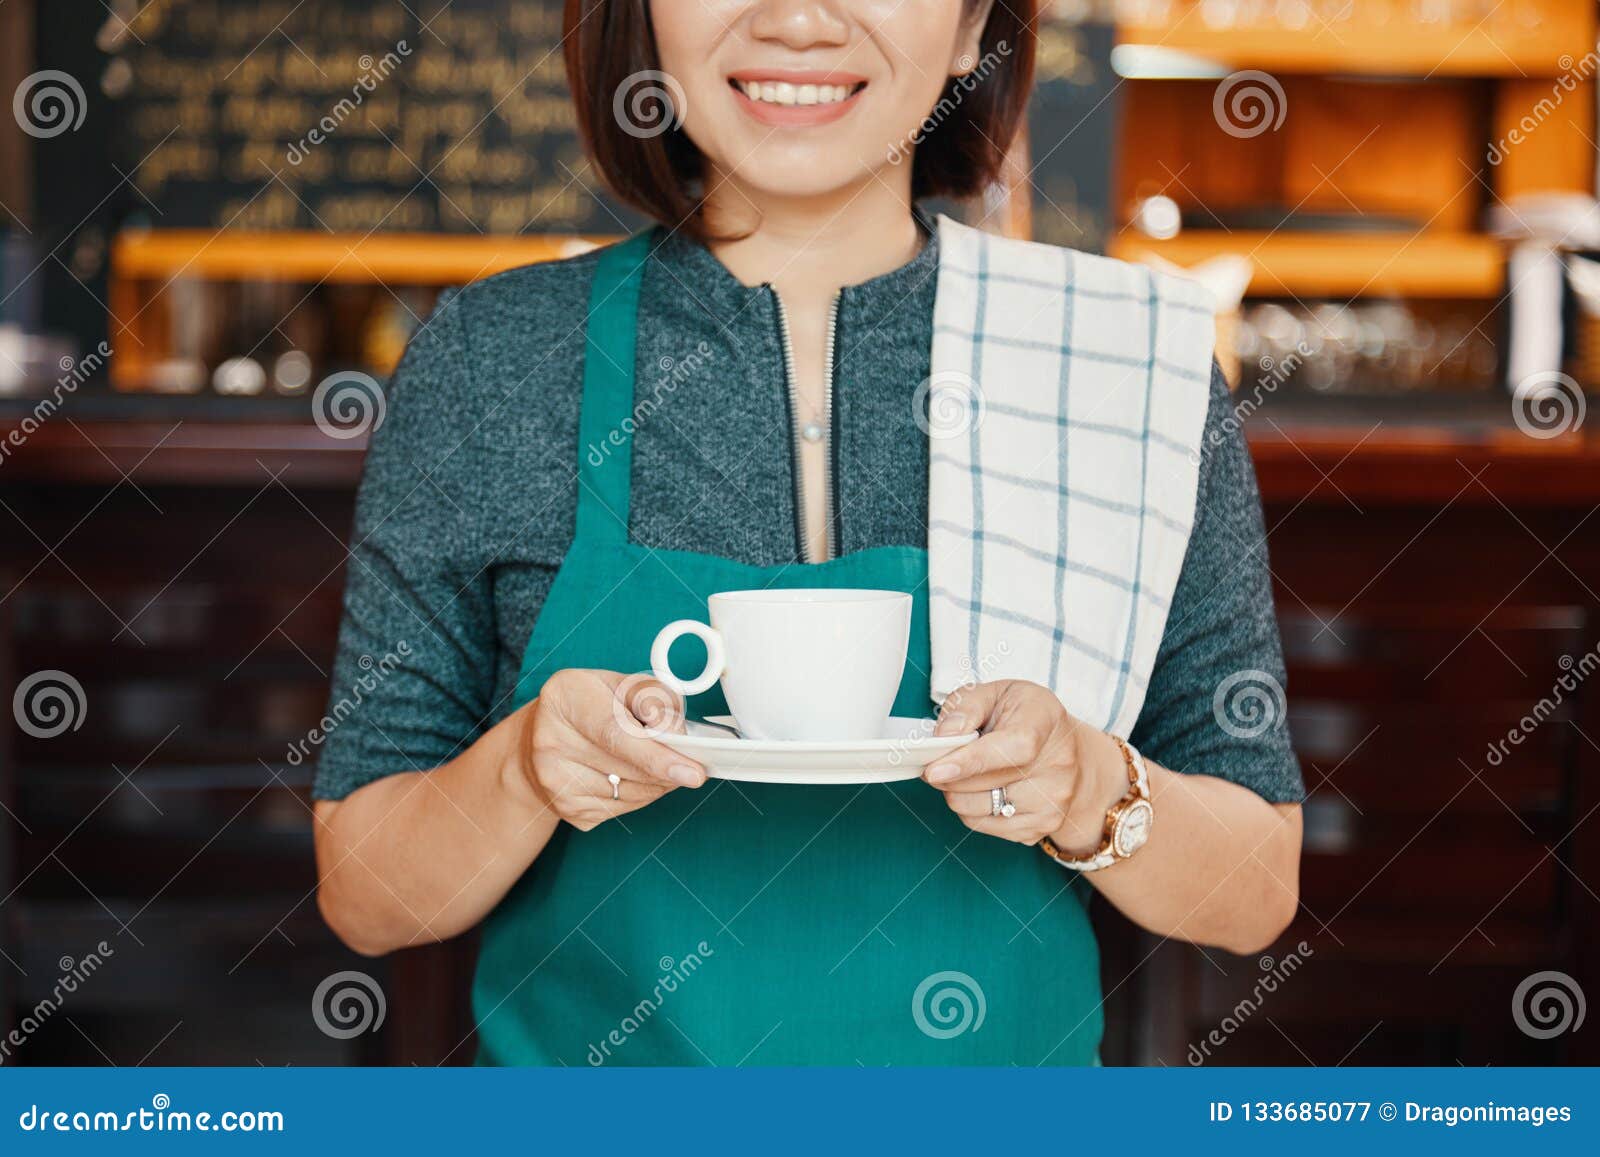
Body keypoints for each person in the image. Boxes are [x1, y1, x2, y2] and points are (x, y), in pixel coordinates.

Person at [312, 0, 1303, 1066]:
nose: (795, 19)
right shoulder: (494, 359)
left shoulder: (1123, 366)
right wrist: (521, 771)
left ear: (975, 29)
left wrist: (1090, 783)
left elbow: (1253, 889)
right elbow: (367, 893)